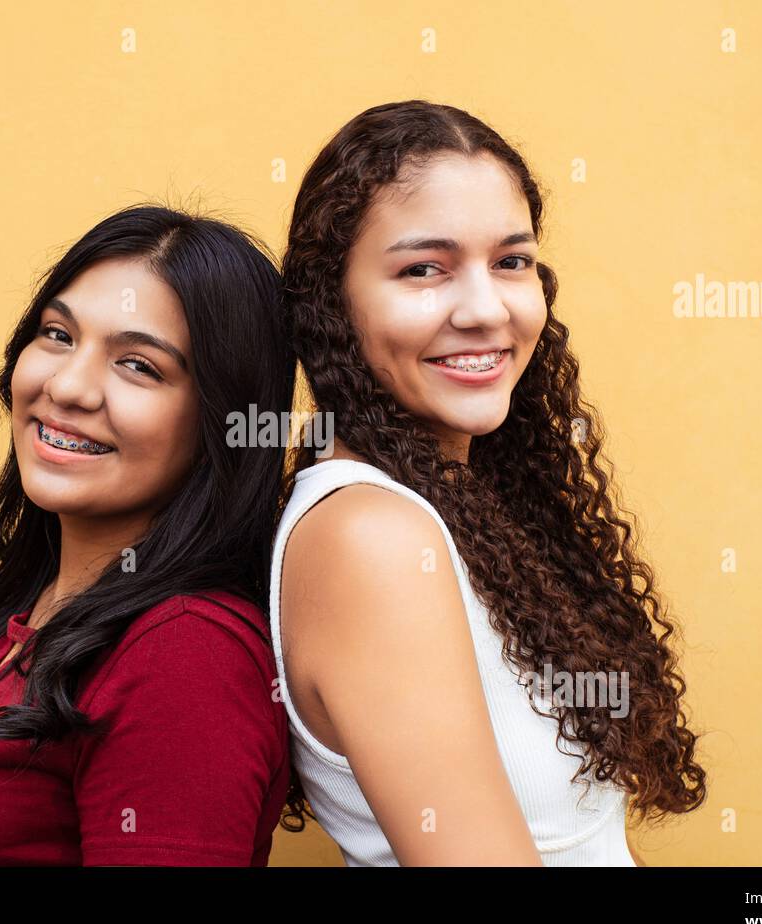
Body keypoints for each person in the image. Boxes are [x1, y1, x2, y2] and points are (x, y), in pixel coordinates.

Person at [271, 101, 707, 866]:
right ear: (329, 303)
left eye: (511, 261)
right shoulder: (370, 538)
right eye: (423, 270)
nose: (485, 309)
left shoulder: (460, 507)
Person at [0, 204, 300, 865]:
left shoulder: (188, 651)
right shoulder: (52, 603)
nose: (69, 386)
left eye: (138, 365)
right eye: (57, 335)